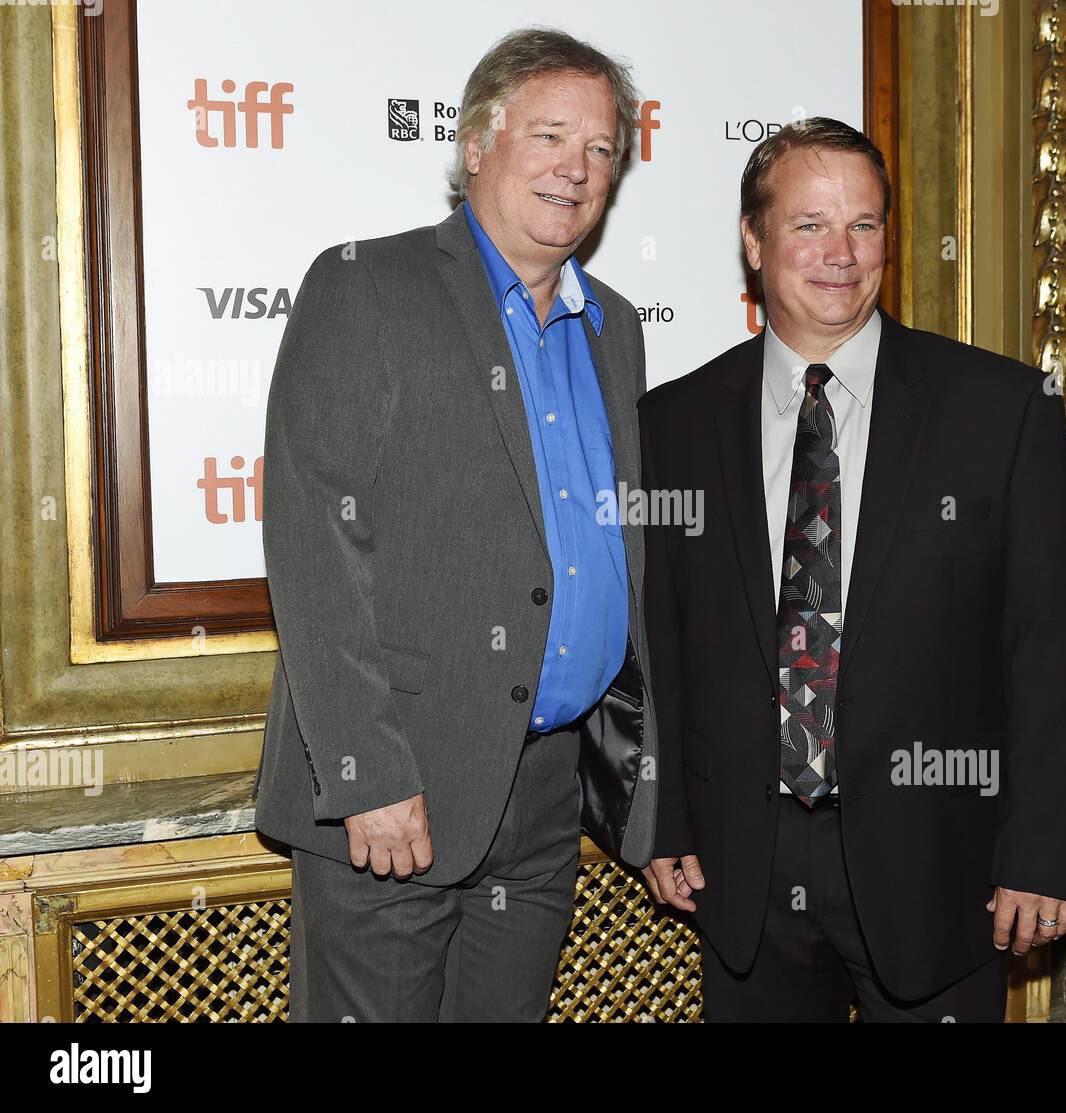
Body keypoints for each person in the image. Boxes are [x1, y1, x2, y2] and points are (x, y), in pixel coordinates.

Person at [638, 118, 1066, 1022]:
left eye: (865, 224)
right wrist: (659, 817)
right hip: (744, 868)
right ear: (754, 240)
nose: (842, 254)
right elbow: (659, 642)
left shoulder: (999, 410)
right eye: (810, 224)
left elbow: (1056, 647)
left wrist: (1042, 853)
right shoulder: (677, 423)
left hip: (943, 864)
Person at [255, 27, 657, 1022]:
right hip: (400, 793)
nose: (576, 167)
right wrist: (365, 775)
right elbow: (313, 543)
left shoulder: (616, 325)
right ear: (476, 143)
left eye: (601, 148)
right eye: (550, 134)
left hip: (545, 794)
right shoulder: (367, 288)